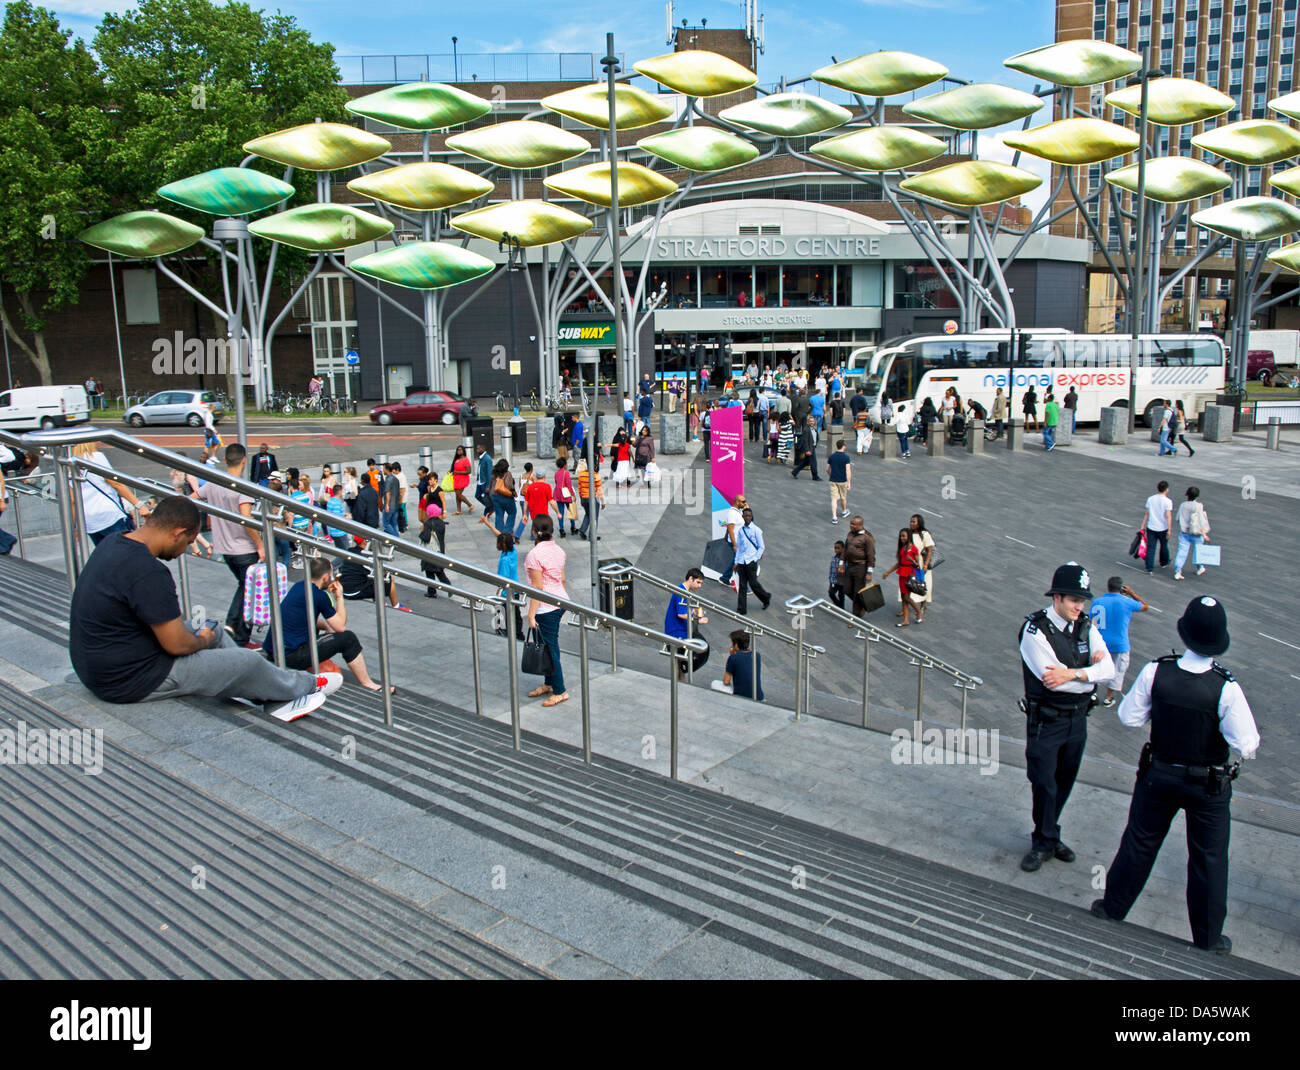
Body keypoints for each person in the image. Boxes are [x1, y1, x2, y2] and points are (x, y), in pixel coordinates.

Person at [1091, 596, 1260, 955]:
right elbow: (1245, 743)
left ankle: (1113, 909)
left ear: (1184, 634)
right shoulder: (1226, 687)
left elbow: (1129, 717)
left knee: (1139, 842)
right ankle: (1208, 937)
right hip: (1208, 785)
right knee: (1209, 858)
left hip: (1159, 773)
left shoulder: (1157, 671)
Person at [68, 495, 336, 720]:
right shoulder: (148, 572)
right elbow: (177, 646)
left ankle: (263, 688)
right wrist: (201, 641)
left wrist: (205, 636)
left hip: (99, 665)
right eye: (188, 542)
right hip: (131, 679)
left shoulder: (115, 542)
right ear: (178, 533)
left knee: (213, 628)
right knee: (246, 659)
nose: (185, 549)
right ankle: (308, 685)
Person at [1017, 562, 1114, 873]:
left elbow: (1108, 671)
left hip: (1077, 720)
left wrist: (1075, 674)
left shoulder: (1085, 625)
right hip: (1047, 721)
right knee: (1044, 783)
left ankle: (1049, 833)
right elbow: (1050, 680)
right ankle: (1043, 840)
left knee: (1064, 780)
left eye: (1082, 600)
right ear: (1056, 597)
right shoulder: (1035, 630)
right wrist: (1090, 674)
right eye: (1073, 600)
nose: (1079, 606)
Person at [268, 557, 391, 692]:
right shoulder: (320, 595)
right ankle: (367, 683)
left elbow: (307, 618)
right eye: (332, 574)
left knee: (319, 628)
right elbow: (340, 627)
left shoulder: (299, 586)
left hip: (273, 650)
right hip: (290, 656)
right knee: (348, 638)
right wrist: (339, 597)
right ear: (325, 577)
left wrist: (326, 627)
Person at [195, 444, 264, 647]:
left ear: (225, 460)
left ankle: (236, 632)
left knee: (244, 587)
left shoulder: (213, 483)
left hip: (224, 549)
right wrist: (260, 545)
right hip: (244, 549)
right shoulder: (242, 487)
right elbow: (246, 519)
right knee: (248, 590)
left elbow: (190, 499)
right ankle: (235, 631)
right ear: (244, 460)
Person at [524, 513, 569, 707]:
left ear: (534, 532)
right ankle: (549, 683)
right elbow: (562, 579)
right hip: (560, 600)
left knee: (549, 649)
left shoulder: (534, 554)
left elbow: (538, 587)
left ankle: (560, 690)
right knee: (550, 645)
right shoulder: (559, 550)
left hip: (546, 606)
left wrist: (531, 614)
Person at [71, 440, 149, 544]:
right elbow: (115, 483)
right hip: (109, 515)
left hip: (89, 520)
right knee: (125, 552)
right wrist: (139, 505)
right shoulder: (96, 457)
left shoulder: (70, 463)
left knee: (106, 555)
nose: (99, 442)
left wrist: (74, 527)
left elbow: (72, 500)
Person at [1088, 577, 1149, 707]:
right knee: (1118, 671)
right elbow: (1145, 606)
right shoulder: (1126, 602)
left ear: (1108, 586)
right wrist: (1132, 593)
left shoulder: (1097, 601)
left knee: (1096, 666)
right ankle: (1108, 698)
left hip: (1100, 642)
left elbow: (1091, 620)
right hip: (1119, 644)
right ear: (1121, 588)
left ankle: (1092, 692)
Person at [339, 538, 408, 610]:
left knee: (371, 577)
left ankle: (378, 601)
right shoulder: (367, 557)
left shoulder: (350, 551)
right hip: (354, 592)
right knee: (387, 577)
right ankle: (396, 606)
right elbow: (383, 571)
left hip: (344, 590)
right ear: (364, 542)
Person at [665, 567, 709, 680]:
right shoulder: (682, 592)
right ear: (691, 578)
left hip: (678, 629)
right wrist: (698, 620)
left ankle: (680, 680)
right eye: (698, 582)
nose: (699, 586)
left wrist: (693, 612)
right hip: (677, 631)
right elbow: (681, 614)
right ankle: (681, 680)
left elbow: (683, 611)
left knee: (679, 662)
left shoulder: (684, 591)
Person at [881, 527, 924, 626]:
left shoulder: (913, 548)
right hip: (902, 573)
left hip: (909, 573)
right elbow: (899, 563)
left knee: (906, 597)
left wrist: (911, 560)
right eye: (901, 536)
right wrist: (888, 572)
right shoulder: (902, 548)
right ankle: (906, 620)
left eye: (903, 536)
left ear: (909, 536)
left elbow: (917, 564)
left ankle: (918, 611)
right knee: (904, 597)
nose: (901, 538)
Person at [733, 507, 772, 615]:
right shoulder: (741, 531)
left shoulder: (756, 530)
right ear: (743, 517)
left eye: (749, 516)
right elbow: (739, 548)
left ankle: (766, 597)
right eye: (745, 516)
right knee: (742, 586)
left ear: (752, 517)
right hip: (742, 562)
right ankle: (741, 609)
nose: (747, 517)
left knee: (753, 583)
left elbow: (761, 547)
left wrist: (755, 558)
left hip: (751, 562)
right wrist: (736, 562)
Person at [841, 515, 876, 617]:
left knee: (857, 592)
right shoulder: (850, 534)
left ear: (860, 525)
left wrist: (869, 572)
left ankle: (855, 617)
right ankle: (863, 605)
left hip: (860, 567)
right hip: (850, 565)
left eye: (853, 524)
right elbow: (845, 549)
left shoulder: (867, 538)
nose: (851, 526)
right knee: (847, 589)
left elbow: (871, 555)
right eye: (851, 523)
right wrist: (841, 563)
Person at [1174, 485, 1211, 580]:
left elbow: (1177, 518)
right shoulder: (1199, 506)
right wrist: (1205, 534)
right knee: (1198, 551)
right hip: (1196, 533)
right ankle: (1200, 567)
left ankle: (1178, 571)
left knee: (1182, 552)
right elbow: (1201, 521)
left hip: (1184, 532)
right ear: (1197, 496)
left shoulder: (1183, 505)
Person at [714, 629, 763, 700]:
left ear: (736, 645)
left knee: (714, 683)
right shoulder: (757, 655)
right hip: (758, 696)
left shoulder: (733, 658)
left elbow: (726, 682)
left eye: (731, 643)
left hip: (742, 696)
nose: (730, 645)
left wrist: (731, 656)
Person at [418, 501, 451, 597]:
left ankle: (432, 592)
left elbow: (426, 538)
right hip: (439, 551)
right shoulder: (442, 523)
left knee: (430, 574)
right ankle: (449, 588)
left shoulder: (428, 523)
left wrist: (422, 531)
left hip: (430, 552)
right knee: (440, 572)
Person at [1141, 480, 1173, 575]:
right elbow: (1168, 516)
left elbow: (1147, 513)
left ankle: (1149, 567)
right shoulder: (1168, 501)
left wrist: (1143, 525)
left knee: (1151, 547)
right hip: (1163, 527)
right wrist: (1169, 529)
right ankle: (1164, 562)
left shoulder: (1150, 499)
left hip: (1151, 526)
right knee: (1164, 546)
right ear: (1167, 490)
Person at [907, 513, 935, 613]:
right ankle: (905, 606)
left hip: (921, 564)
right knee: (909, 584)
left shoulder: (924, 534)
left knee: (923, 583)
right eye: (911, 521)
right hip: (910, 563)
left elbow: (930, 550)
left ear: (919, 523)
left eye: (913, 522)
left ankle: (923, 606)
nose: (911, 523)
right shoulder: (908, 533)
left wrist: (926, 564)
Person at [576, 457, 603, 541]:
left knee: (588, 514)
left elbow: (579, 488)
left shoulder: (581, 475)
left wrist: (581, 498)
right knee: (594, 517)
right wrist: (602, 502)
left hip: (584, 498)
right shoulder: (596, 475)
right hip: (593, 498)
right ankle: (592, 536)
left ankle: (582, 530)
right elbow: (599, 490)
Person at [523, 467, 554, 539]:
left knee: (535, 524)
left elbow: (526, 502)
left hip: (533, 513)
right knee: (543, 526)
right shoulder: (547, 487)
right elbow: (551, 502)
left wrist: (525, 514)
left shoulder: (530, 487)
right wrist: (557, 512)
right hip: (543, 513)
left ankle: (533, 536)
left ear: (536, 477)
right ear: (544, 477)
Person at [489, 458, 517, 534]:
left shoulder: (493, 473)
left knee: (499, 514)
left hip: (494, 496)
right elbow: (509, 486)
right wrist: (514, 493)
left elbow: (490, 484)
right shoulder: (507, 474)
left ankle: (499, 531)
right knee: (512, 512)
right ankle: (507, 530)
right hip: (505, 497)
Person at [826, 439, 850, 523]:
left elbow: (827, 469)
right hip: (842, 480)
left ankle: (834, 517)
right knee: (843, 497)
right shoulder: (846, 457)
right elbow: (848, 470)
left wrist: (830, 475)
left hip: (833, 480)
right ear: (843, 446)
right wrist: (849, 483)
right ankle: (844, 511)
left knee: (834, 499)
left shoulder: (831, 456)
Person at [791, 415, 820, 480]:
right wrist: (807, 450)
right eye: (810, 421)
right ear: (808, 422)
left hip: (812, 447)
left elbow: (815, 437)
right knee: (813, 463)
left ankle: (795, 472)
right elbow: (805, 441)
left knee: (805, 462)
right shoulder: (806, 430)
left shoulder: (813, 429)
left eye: (813, 421)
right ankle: (815, 476)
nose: (812, 422)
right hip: (809, 449)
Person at [324, 485, 350, 550]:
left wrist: (343, 514)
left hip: (333, 530)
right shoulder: (337, 503)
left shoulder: (330, 501)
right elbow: (338, 518)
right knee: (346, 551)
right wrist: (347, 517)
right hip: (339, 531)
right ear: (339, 491)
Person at [450, 444, 473, 515]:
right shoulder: (457, 459)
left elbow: (469, 471)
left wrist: (458, 472)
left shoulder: (465, 460)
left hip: (463, 479)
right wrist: (451, 470)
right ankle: (459, 510)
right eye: (458, 450)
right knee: (457, 495)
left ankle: (470, 505)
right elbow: (455, 468)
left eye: (460, 450)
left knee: (458, 494)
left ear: (463, 451)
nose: (458, 451)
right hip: (456, 479)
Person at [474, 443, 494, 517]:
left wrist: (488, 485)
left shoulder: (487, 458)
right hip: (480, 481)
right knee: (477, 496)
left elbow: (489, 473)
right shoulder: (482, 458)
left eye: (478, 449)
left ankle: (486, 513)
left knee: (486, 498)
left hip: (484, 482)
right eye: (477, 449)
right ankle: (490, 507)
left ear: (483, 449)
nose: (477, 450)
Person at [827, 540, 846, 608]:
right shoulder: (834, 558)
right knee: (831, 593)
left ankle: (841, 607)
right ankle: (838, 605)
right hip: (833, 580)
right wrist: (830, 578)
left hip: (842, 581)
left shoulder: (845, 559)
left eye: (838, 548)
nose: (836, 550)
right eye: (835, 548)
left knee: (841, 595)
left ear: (843, 549)